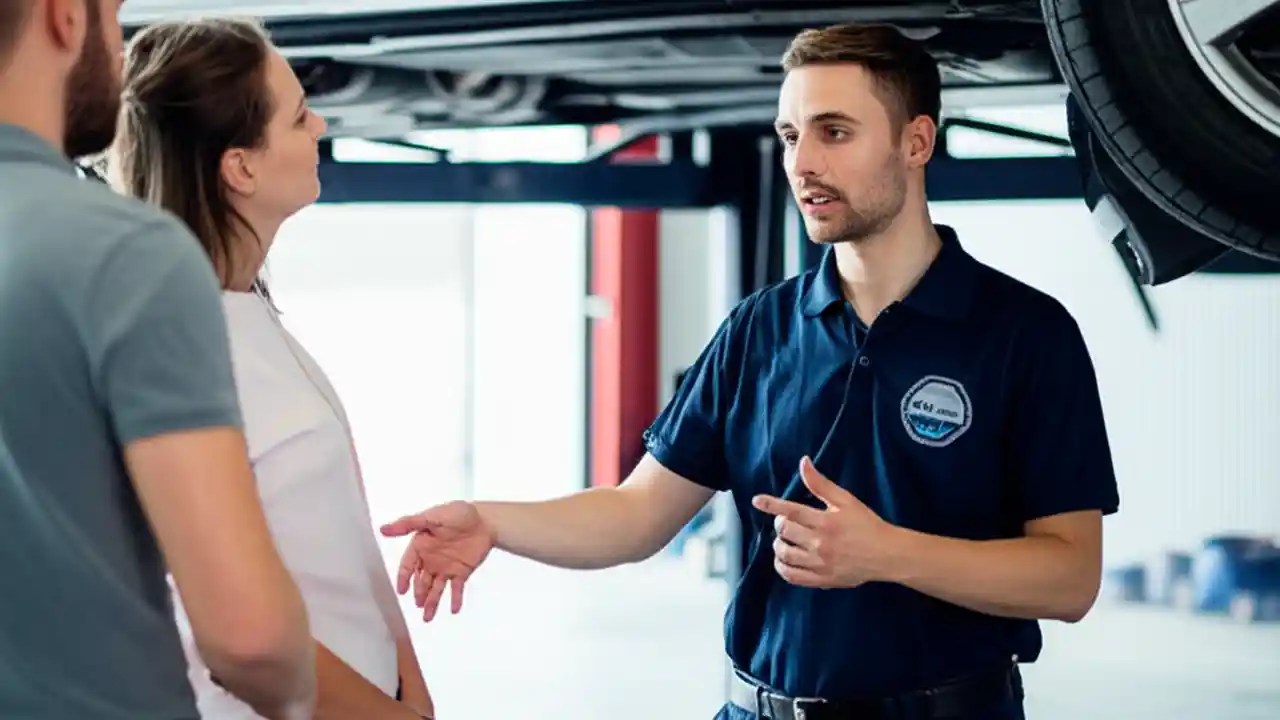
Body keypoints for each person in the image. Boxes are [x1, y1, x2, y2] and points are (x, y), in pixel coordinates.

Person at [383, 22, 1121, 720]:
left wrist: (887, 554)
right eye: (791, 135)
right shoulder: (759, 330)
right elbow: (635, 516)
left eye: (835, 132)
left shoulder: (1025, 333)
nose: (803, 163)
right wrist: (492, 522)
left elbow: (1068, 578)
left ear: (915, 142)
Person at [111, 16, 434, 720]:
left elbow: (341, 537)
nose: (319, 125)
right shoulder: (182, 345)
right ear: (241, 166)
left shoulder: (248, 306)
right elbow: (218, 616)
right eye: (296, 116)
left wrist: (410, 686)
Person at [0, 2, 315, 719]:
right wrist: (299, 697)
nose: (122, 46)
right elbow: (251, 638)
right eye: (113, 16)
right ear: (63, 18)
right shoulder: (122, 254)